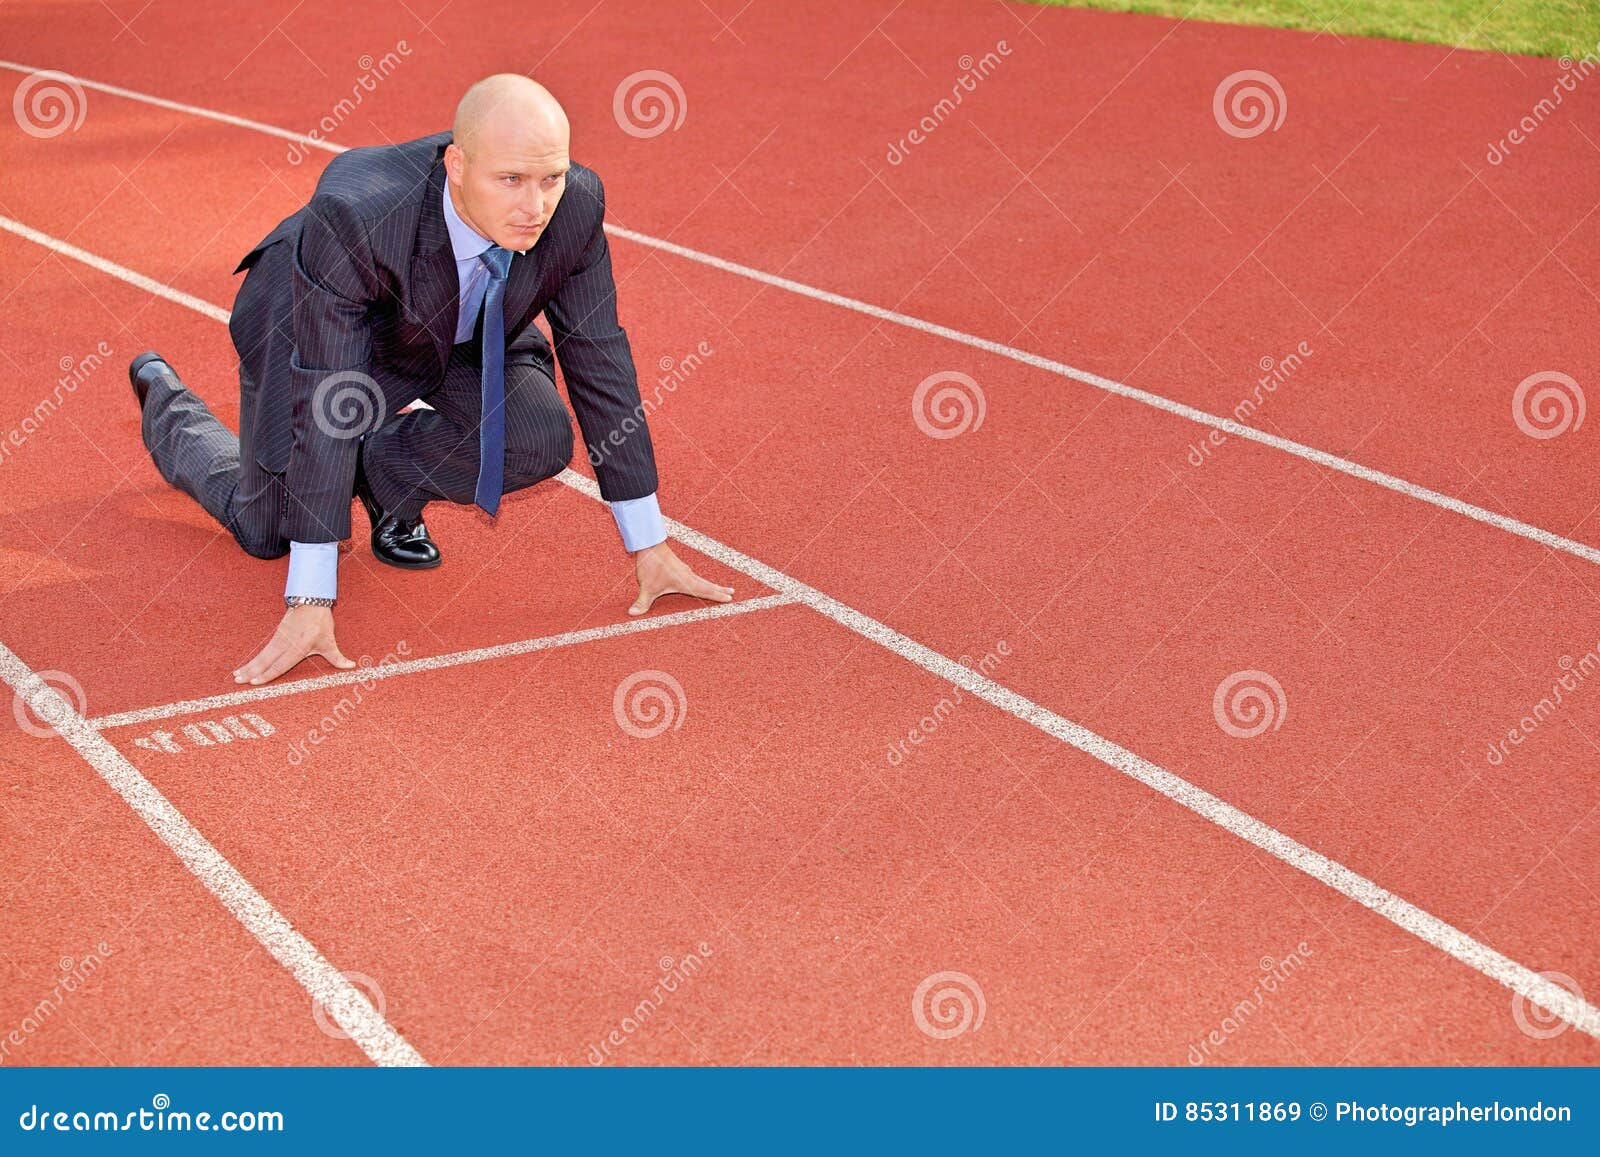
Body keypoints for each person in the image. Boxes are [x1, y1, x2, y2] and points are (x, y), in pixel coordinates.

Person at [130, 74, 732, 686]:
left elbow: (597, 354)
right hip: (315, 323)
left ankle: (386, 474)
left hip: (465, 328)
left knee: (534, 437)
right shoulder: (357, 213)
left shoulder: (574, 207)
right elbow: (326, 395)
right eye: (511, 181)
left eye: (550, 178)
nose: (535, 206)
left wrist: (648, 544)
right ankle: (169, 408)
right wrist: (310, 600)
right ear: (457, 165)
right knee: (266, 532)